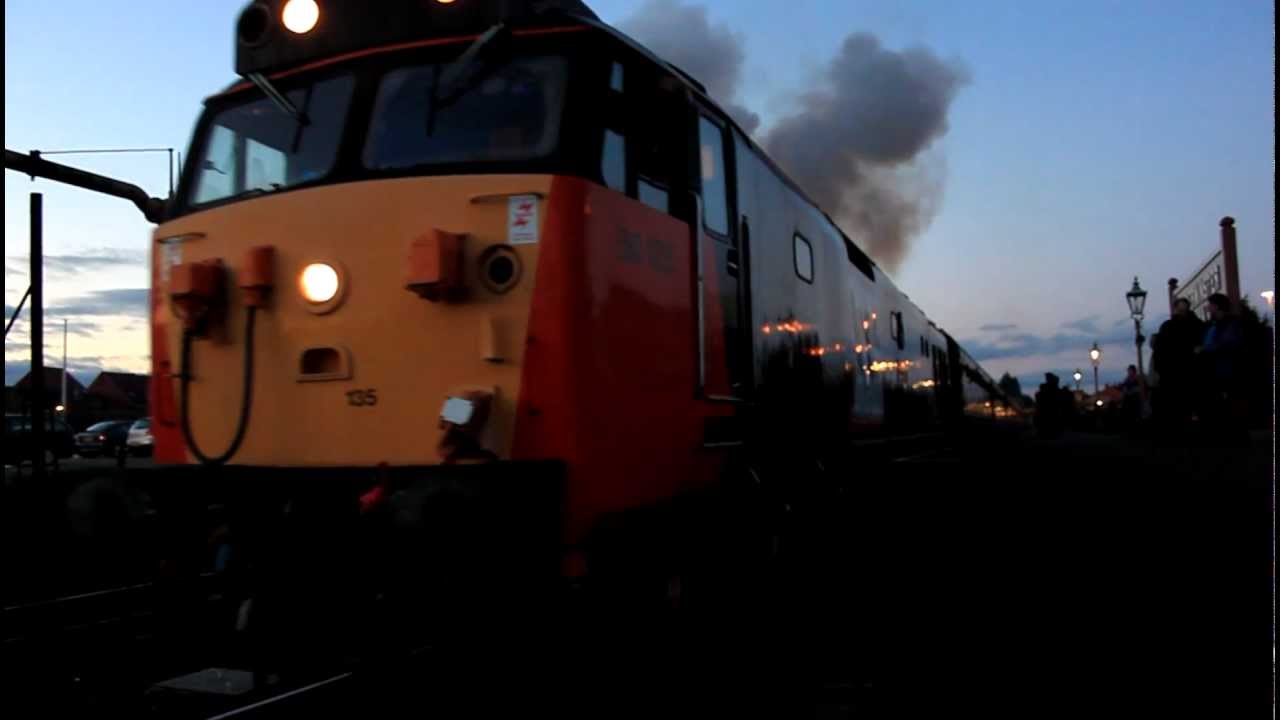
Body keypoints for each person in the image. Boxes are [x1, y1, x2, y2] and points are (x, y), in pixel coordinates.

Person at [1195, 293, 1246, 446]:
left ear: (1216, 306)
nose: (1208, 308)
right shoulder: (1213, 326)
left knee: (1229, 410)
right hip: (1214, 374)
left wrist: (1205, 350)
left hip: (1226, 372)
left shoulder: (1231, 324)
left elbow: (1229, 344)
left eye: (1210, 305)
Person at [1153, 297, 1204, 430]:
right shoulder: (1168, 326)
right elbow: (1159, 351)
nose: (1181, 311)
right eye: (1180, 309)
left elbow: (1159, 351)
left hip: (1187, 371)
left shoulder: (1195, 325)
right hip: (1173, 373)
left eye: (1183, 309)